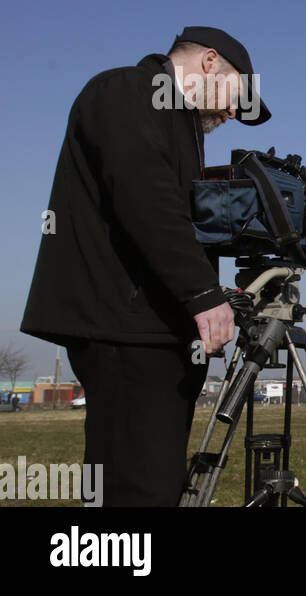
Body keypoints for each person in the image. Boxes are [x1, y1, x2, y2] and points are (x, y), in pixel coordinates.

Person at [20, 27, 271, 506]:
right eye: (238, 93)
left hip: (152, 331)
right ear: (209, 61)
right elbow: (145, 198)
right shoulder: (127, 89)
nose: (235, 111)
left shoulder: (177, 123)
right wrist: (203, 293)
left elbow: (171, 212)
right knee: (133, 487)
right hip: (123, 328)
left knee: (154, 481)